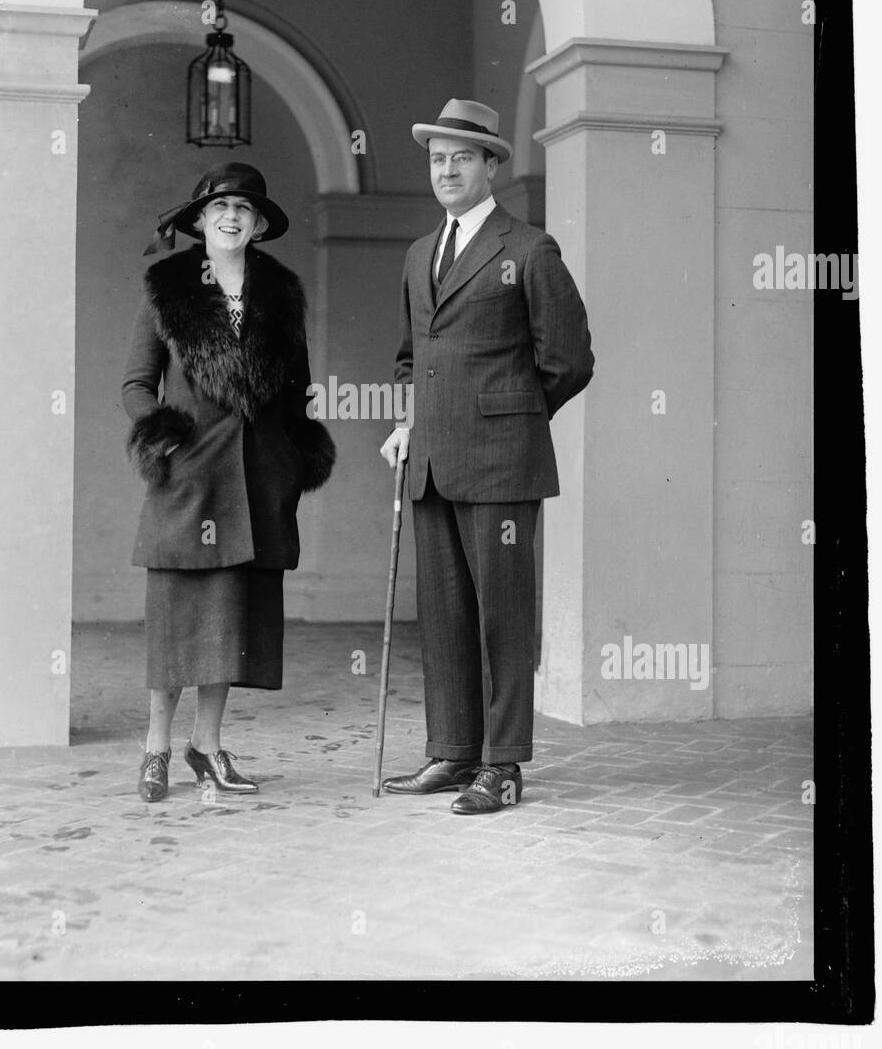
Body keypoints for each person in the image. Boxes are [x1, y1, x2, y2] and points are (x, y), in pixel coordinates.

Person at [379, 99, 593, 814]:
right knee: (443, 614)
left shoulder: (530, 249)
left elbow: (568, 359)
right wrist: (411, 419)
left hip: (500, 462)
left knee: (501, 614)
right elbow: (411, 356)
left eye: (461, 158)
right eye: (437, 159)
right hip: (431, 462)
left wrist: (508, 418)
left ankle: (502, 766)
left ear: (491, 165)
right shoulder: (418, 254)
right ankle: (454, 752)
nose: (446, 170)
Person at [122, 162, 335, 802]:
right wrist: (164, 438)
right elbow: (136, 384)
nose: (232, 217)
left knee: (230, 624)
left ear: (260, 224)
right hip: (190, 481)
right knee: (175, 622)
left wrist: (296, 459)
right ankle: (156, 749)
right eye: (219, 209)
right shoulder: (168, 290)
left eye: (245, 209)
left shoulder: (281, 295)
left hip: (257, 483)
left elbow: (296, 393)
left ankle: (207, 747)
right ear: (199, 222)